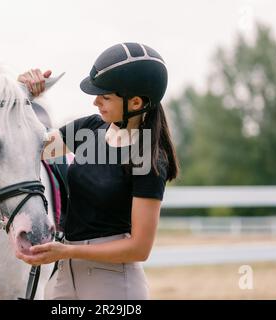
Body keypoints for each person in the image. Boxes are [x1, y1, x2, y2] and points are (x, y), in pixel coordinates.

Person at [17, 42, 179, 300]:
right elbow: (29, 147)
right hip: (63, 273)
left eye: (105, 97)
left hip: (112, 280)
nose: (95, 102)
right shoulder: (90, 128)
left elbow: (139, 248)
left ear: (135, 102)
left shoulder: (149, 159)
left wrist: (68, 252)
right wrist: (21, 96)